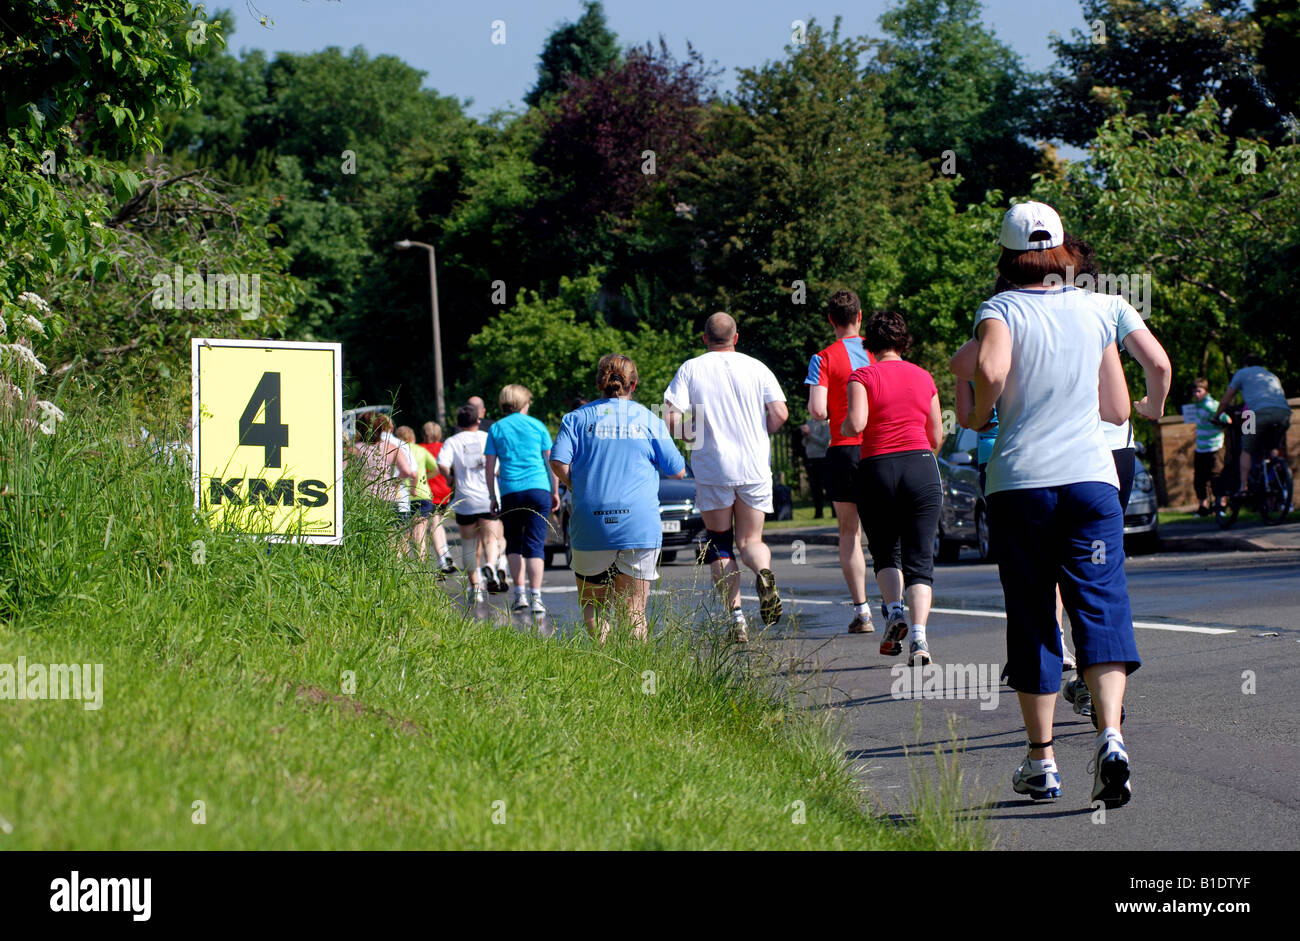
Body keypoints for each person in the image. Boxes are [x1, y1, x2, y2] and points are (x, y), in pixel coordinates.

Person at [966, 200, 1169, 809]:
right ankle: (1110, 736)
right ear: (1061, 250)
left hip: (1022, 484)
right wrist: (1153, 409)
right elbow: (1137, 385)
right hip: (1092, 481)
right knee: (1101, 604)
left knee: (1033, 613)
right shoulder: (1098, 308)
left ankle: (1042, 763)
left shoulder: (999, 309)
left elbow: (991, 369)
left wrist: (978, 417)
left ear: (1006, 256)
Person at [664, 312, 788, 642]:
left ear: (705, 339)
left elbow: (670, 415)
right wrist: (762, 432)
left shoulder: (691, 368)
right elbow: (780, 413)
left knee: (720, 542)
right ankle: (763, 573)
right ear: (736, 337)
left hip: (713, 466)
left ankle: (736, 618)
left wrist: (693, 436)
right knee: (751, 541)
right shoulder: (757, 367)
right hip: (753, 467)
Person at [551, 354, 686, 642]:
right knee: (635, 612)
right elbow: (676, 470)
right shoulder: (649, 419)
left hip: (591, 521)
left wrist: (577, 485)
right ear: (633, 384)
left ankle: (603, 665)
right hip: (638, 524)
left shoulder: (576, 418)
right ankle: (635, 676)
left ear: (599, 383)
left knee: (593, 606)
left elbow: (558, 461)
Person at [841, 311, 944, 665]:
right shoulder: (923, 376)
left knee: (886, 552)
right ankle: (919, 637)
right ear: (903, 342)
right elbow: (936, 436)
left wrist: (839, 424)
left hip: (877, 468)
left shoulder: (863, 375)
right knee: (920, 559)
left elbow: (856, 423)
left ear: (869, 343)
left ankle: (894, 611)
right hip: (920, 466)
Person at [806, 289, 877, 634]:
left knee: (849, 532)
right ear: (860, 316)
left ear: (831, 320)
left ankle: (862, 610)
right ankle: (897, 605)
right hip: (883, 446)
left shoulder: (823, 358)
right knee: (887, 528)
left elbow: (818, 410)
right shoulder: (877, 350)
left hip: (845, 447)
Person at [484, 384, 560, 617]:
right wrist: (554, 491)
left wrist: (492, 496)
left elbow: (489, 467)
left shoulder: (496, 429)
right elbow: (551, 463)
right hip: (538, 489)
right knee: (535, 545)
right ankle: (537, 598)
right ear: (523, 403)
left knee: (514, 543)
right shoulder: (537, 426)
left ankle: (520, 596)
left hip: (510, 491)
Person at [438, 405, 508, 602]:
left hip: (464, 499)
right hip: (488, 497)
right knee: (490, 539)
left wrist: (450, 478)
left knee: (469, 544)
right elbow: (498, 469)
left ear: (458, 424)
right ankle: (491, 566)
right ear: (478, 421)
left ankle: (475, 588)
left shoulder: (452, 441)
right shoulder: (487, 438)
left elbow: (442, 463)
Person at [1220, 354, 1291, 496]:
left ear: (1246, 364)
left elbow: (1227, 398)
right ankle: (1274, 474)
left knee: (1246, 449)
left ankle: (1243, 488)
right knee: (1273, 446)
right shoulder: (1271, 376)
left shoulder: (1242, 373)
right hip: (1283, 413)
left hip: (1255, 414)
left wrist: (1217, 415)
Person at [350, 411, 417, 555]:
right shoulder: (392, 448)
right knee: (394, 539)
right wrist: (394, 481)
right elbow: (408, 471)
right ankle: (399, 569)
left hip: (364, 499)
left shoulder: (355, 449)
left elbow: (343, 471)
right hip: (389, 497)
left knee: (369, 540)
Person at [395, 425, 456, 573]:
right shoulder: (423, 450)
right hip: (425, 493)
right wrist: (425, 478)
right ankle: (425, 564)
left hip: (403, 495)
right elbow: (436, 468)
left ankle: (400, 567)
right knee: (422, 531)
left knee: (402, 533)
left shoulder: (395, 450)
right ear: (412, 438)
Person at [1190, 378, 1228, 515]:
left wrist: (1218, 422)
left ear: (1206, 391)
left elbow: (1226, 419)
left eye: (1199, 391)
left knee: (1216, 476)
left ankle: (1221, 506)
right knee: (1199, 479)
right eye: (1194, 391)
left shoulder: (1212, 405)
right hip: (1201, 447)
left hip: (1214, 447)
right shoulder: (1196, 407)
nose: (1196, 394)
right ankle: (1203, 508)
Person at [800, 417, 831, 519]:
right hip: (811, 457)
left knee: (828, 486)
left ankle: (834, 512)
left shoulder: (825, 423)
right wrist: (805, 435)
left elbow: (824, 442)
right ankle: (818, 513)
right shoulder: (809, 422)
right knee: (815, 487)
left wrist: (810, 434)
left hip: (822, 458)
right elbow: (804, 443)